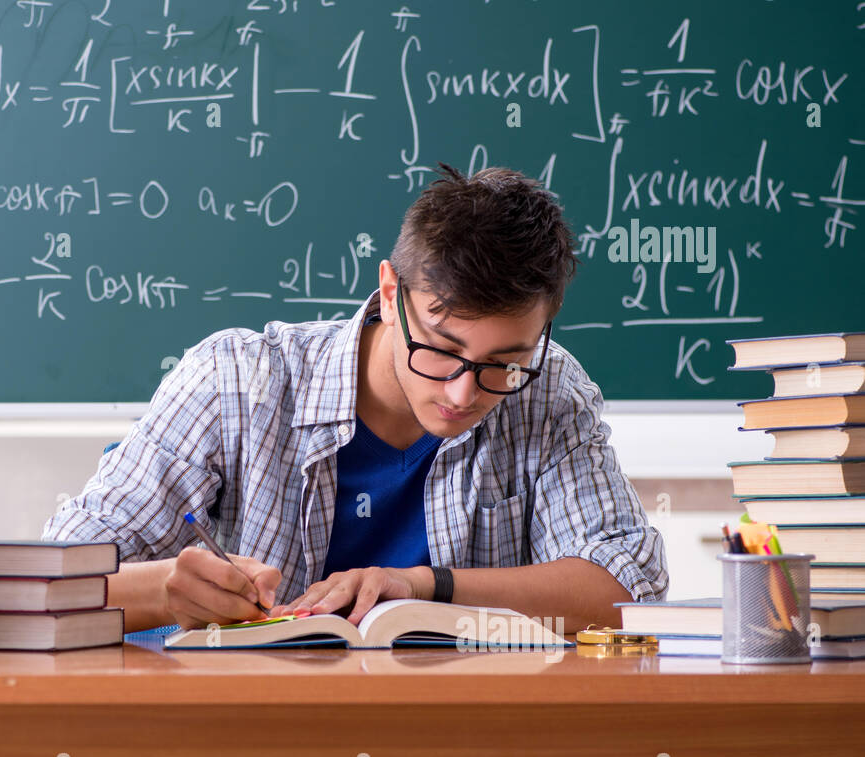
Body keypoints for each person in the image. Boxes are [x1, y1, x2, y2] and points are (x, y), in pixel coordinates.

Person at [43, 163, 667, 633]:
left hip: (466, 753)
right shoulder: (236, 380)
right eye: (443, 349)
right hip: (249, 750)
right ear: (391, 294)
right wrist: (162, 591)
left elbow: (625, 591)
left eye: (504, 364)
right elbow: (41, 585)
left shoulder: (550, 389)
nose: (462, 392)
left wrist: (424, 586)